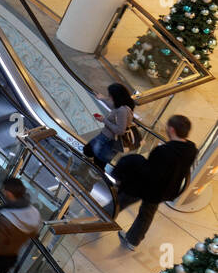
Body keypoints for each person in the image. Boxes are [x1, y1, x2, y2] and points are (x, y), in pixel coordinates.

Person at [113, 115, 198, 249]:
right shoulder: (192, 149)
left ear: (171, 129)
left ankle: (102, 219)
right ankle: (133, 241)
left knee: (119, 202)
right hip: (165, 191)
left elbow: (148, 171)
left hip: (145, 187)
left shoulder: (163, 151)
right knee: (146, 215)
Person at [84, 83, 135, 170]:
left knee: (97, 162)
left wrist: (104, 120)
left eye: (110, 95)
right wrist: (102, 99)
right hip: (106, 138)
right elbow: (114, 107)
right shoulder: (124, 104)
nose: (109, 97)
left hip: (108, 141)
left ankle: (90, 176)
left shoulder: (122, 110)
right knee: (90, 152)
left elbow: (120, 130)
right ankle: (89, 171)